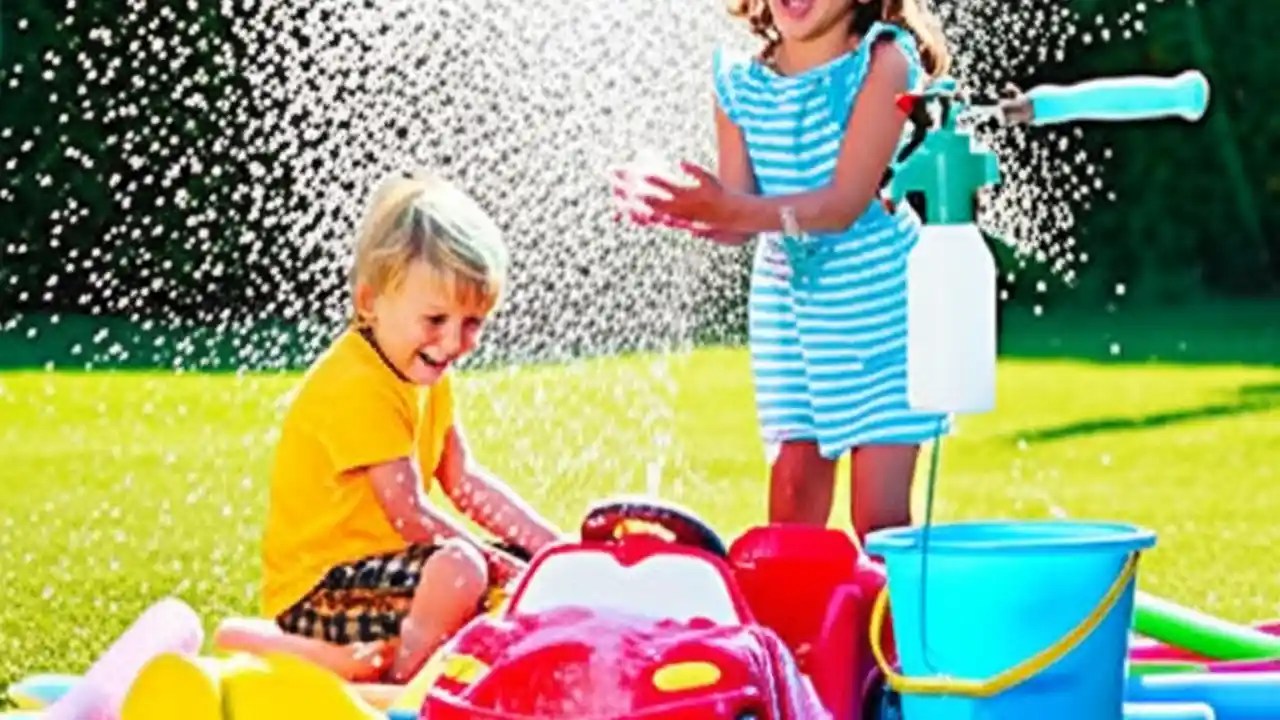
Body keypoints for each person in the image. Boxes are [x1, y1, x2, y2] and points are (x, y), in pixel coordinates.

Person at [615, 0, 1017, 542]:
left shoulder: (883, 62)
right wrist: (683, 208)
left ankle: (891, 625)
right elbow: (740, 213)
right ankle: (797, 625)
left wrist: (727, 209)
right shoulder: (740, 79)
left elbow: (842, 204)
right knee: (792, 494)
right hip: (788, 307)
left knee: (878, 518)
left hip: (877, 300)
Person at [217, 169, 563, 683]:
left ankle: (368, 661)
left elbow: (465, 482)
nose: (452, 343)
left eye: (472, 324)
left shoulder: (423, 371)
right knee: (465, 568)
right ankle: (400, 685)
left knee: (525, 577)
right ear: (370, 302)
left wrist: (553, 549)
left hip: (386, 581)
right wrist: (491, 563)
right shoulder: (358, 383)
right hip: (319, 593)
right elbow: (408, 514)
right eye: (435, 320)